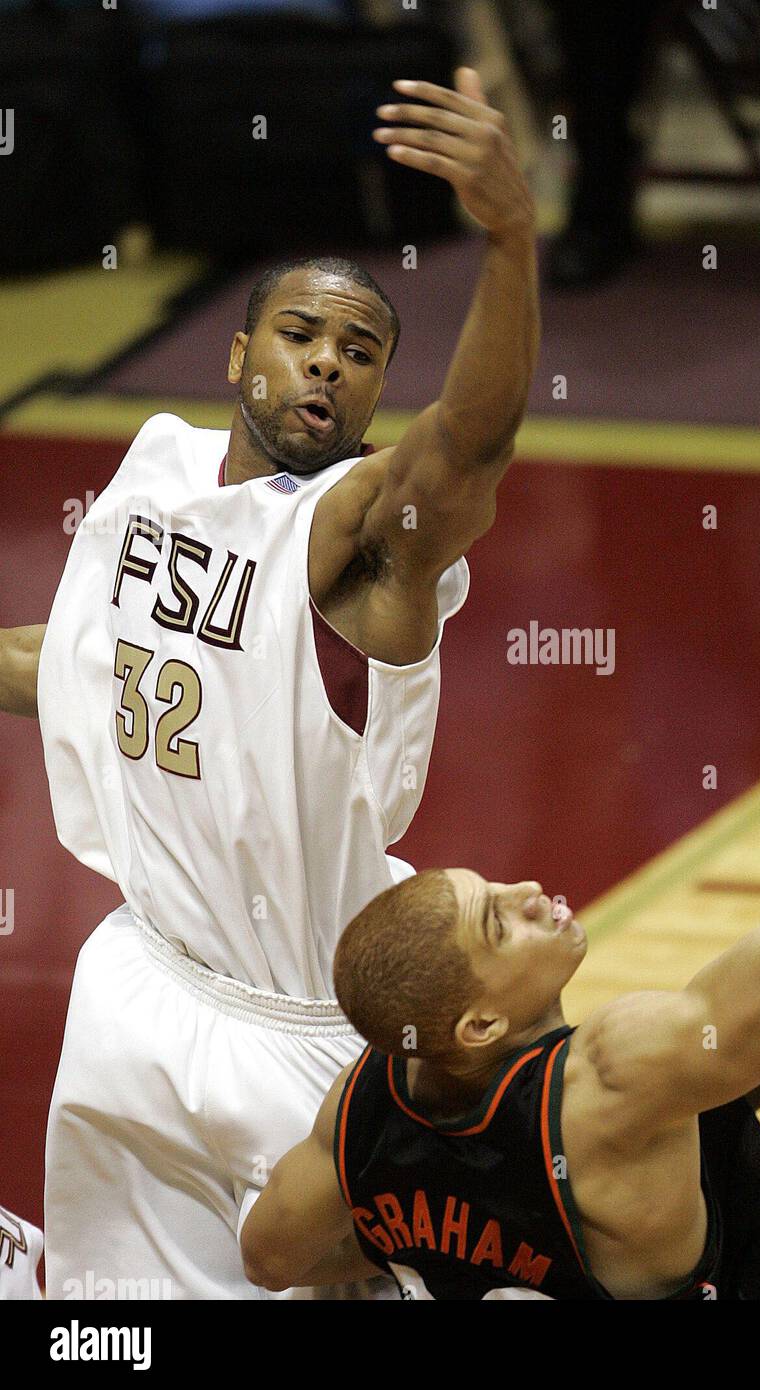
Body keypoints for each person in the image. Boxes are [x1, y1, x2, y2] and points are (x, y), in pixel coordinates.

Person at [0, 66, 539, 1299]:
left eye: (360, 353)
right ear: (240, 351)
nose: (327, 368)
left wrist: (509, 239)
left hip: (304, 1032)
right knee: (104, 1318)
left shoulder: (364, 546)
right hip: (135, 980)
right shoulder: (158, 469)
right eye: (301, 336)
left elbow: (468, 446)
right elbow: (72, 663)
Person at [239, 607, 760, 1299]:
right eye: (498, 923)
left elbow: (270, 1259)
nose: (527, 891)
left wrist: (423, 1254)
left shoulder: (360, 1114)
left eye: (492, 886)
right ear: (478, 1021)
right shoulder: (610, 1083)